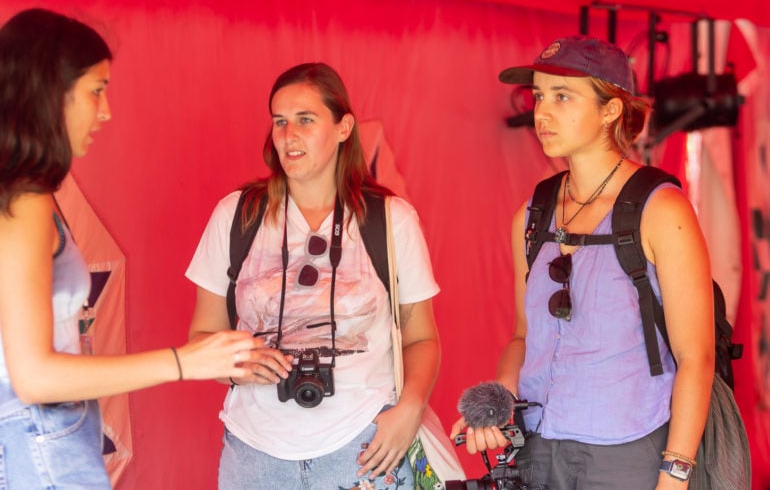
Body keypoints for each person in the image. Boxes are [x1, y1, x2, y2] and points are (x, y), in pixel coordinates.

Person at [0, 8, 261, 489]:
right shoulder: (25, 202)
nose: (107, 110)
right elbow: (32, 377)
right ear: (48, 92)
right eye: (96, 90)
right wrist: (185, 362)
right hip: (39, 441)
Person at [450, 36, 715, 490]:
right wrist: (498, 405)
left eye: (562, 96)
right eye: (538, 96)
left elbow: (697, 356)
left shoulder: (662, 209)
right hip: (537, 448)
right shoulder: (532, 214)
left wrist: (675, 473)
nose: (542, 112)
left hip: (628, 452)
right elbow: (522, 336)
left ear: (610, 109)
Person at [186, 61, 441, 490]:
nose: (289, 135)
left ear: (344, 128)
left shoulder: (390, 220)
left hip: (365, 446)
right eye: (280, 122)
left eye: (306, 119)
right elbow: (202, 337)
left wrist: (410, 409)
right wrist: (238, 367)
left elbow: (422, 338)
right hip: (255, 453)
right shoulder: (237, 214)